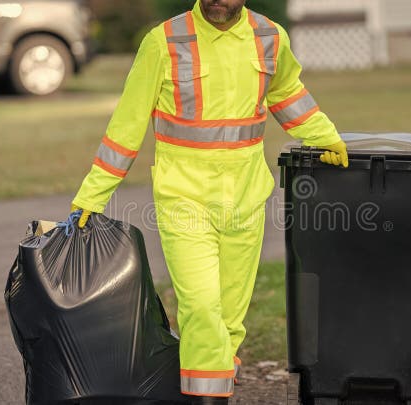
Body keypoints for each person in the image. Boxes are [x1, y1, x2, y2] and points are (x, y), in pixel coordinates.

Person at [70, 0, 347, 403]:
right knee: (201, 309)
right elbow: (127, 124)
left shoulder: (270, 37)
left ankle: (212, 388)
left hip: (246, 199)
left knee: (229, 321)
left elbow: (287, 95)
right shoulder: (163, 41)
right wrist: (92, 195)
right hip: (184, 200)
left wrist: (325, 136)